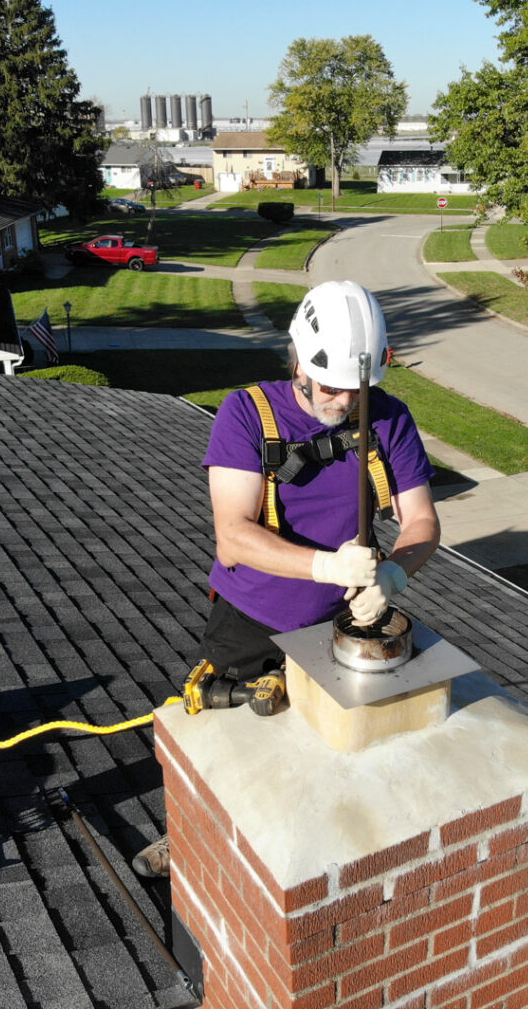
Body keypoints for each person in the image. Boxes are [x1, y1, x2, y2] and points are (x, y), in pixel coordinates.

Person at [133, 280, 441, 878]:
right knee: (224, 745)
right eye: (330, 387)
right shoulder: (247, 413)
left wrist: (398, 571)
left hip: (343, 622)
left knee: (329, 746)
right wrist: (325, 565)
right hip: (253, 615)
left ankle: (302, 852)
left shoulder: (389, 422)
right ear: (296, 359)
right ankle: (190, 838)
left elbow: (421, 518)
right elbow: (234, 535)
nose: (343, 401)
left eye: (358, 390)